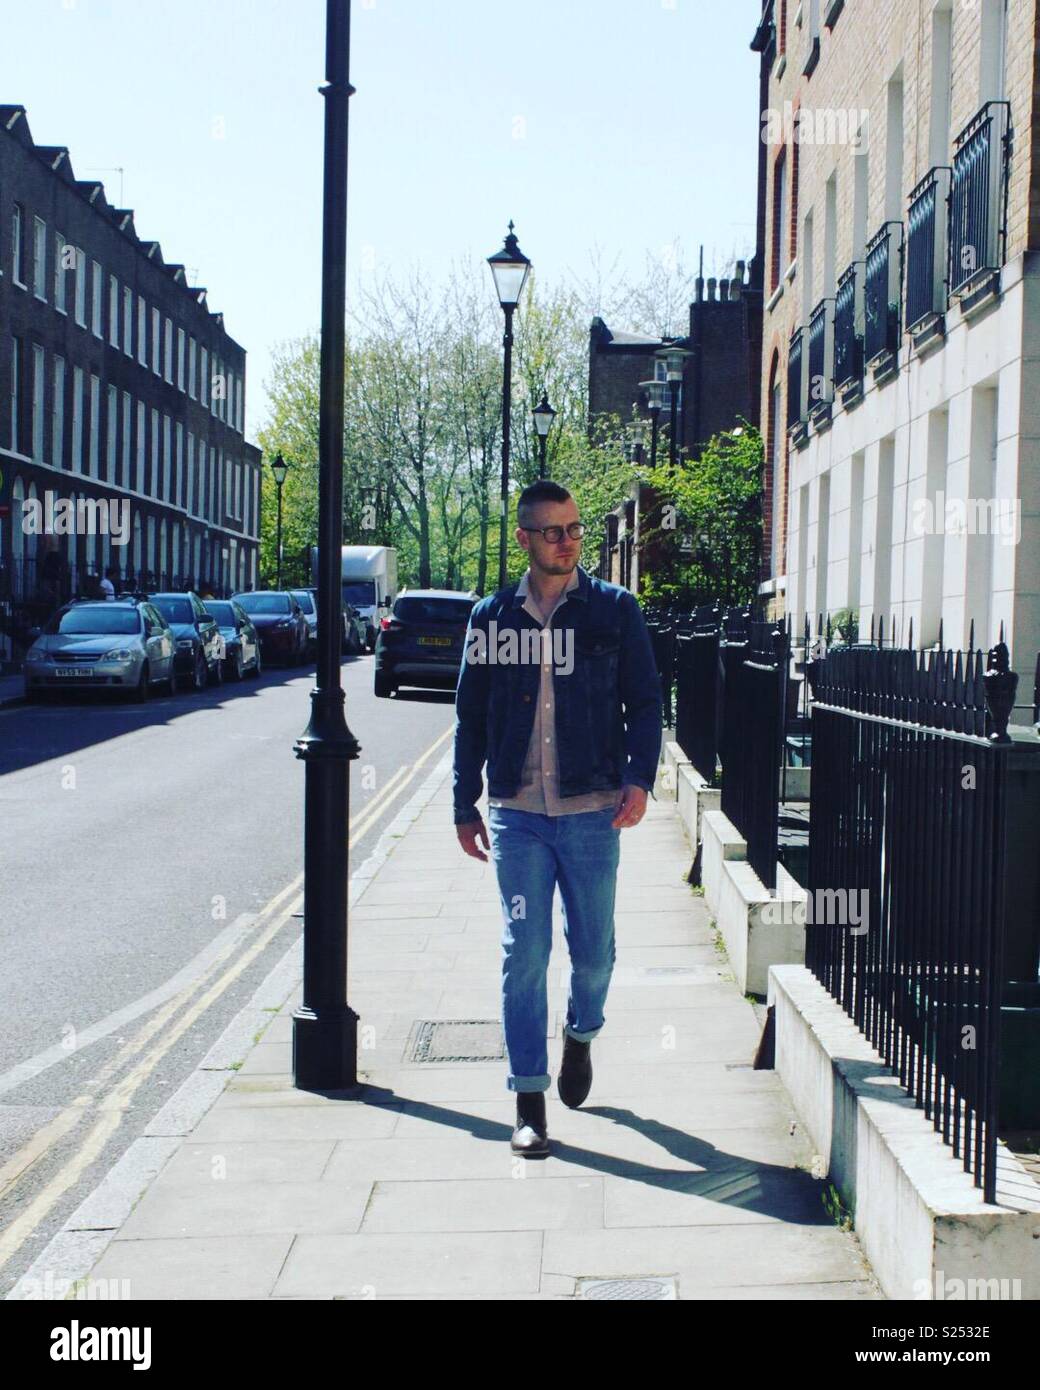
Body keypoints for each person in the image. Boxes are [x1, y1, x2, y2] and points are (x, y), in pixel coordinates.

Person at [453, 480, 662, 1157]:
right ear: (524, 539)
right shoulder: (492, 619)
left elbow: (647, 703)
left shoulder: (613, 611)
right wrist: (464, 802)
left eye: (573, 529)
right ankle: (529, 1101)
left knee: (594, 955)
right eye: (552, 531)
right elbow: (469, 717)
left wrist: (640, 780)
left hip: (593, 810)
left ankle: (581, 1034)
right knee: (525, 954)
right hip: (518, 814)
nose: (567, 540)